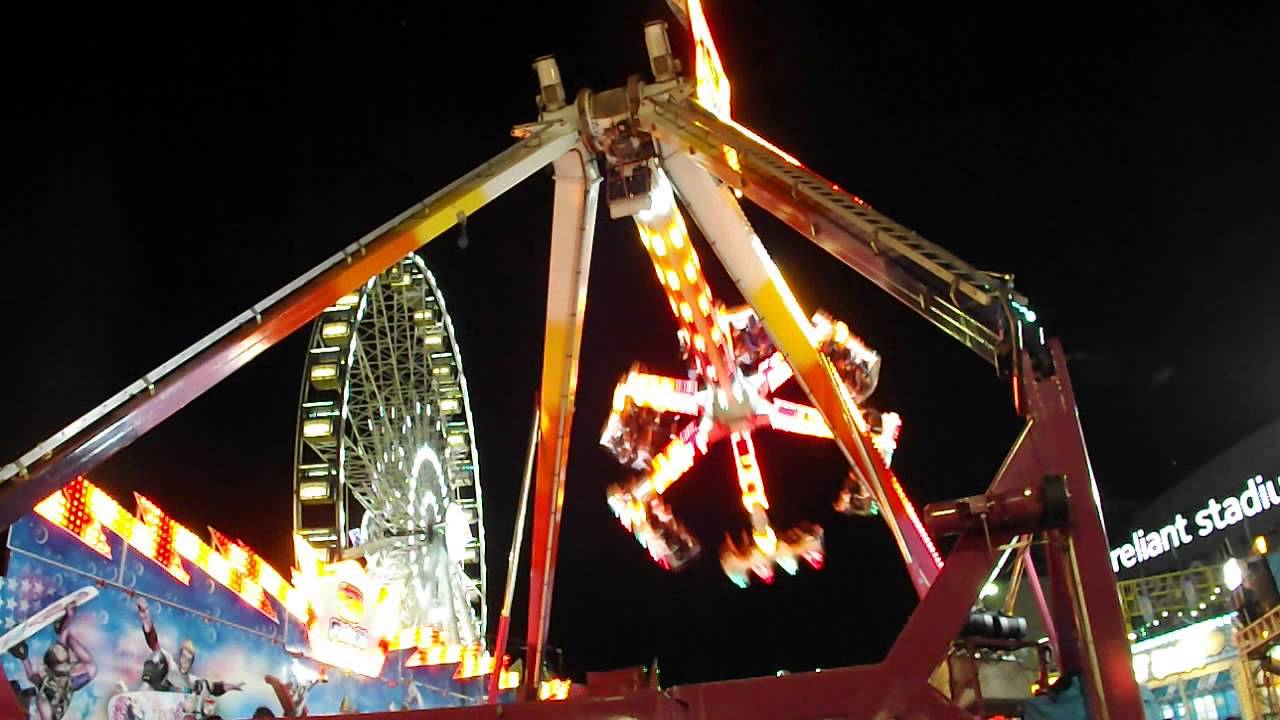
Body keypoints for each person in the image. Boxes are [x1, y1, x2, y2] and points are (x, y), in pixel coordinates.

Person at [135, 598, 242, 712]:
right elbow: (153, 643)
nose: (185, 661)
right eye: (184, 657)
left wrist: (230, 686)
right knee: (157, 656)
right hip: (157, 706)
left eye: (188, 659)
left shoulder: (192, 680)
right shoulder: (171, 665)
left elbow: (214, 687)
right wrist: (145, 616)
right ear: (180, 656)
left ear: (192, 662)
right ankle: (139, 701)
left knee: (202, 687)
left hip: (176, 713)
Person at [8, 604, 96, 720]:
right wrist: (69, 619)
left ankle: (22, 651)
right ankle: (62, 629)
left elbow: (34, 679)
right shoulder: (63, 680)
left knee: (81, 668)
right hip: (56, 692)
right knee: (91, 669)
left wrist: (23, 656)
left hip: (51, 696)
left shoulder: (51, 687)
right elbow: (34, 679)